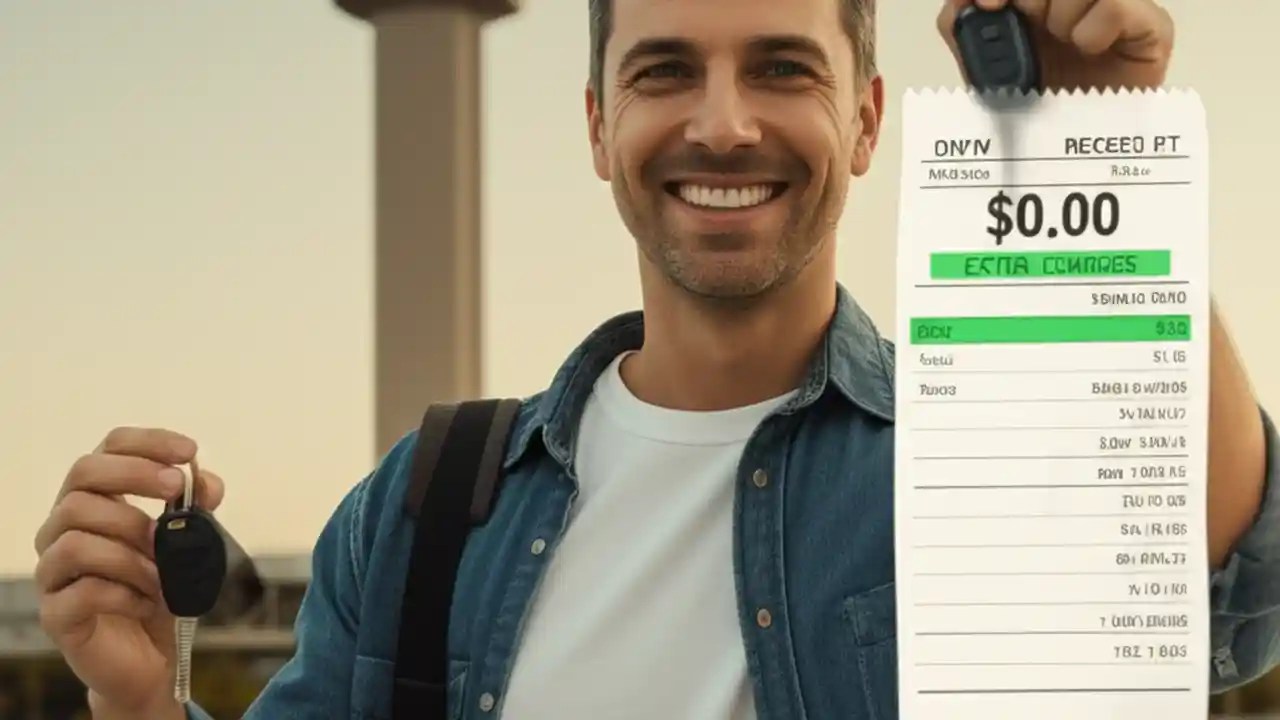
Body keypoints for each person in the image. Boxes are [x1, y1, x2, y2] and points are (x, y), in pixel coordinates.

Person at [31, 0, 1280, 718]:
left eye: (781, 68)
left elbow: (1231, 597)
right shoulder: (423, 507)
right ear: (598, 126)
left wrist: (1079, 151)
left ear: (864, 119)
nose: (722, 120)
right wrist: (142, 705)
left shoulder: (980, 455)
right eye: (664, 70)